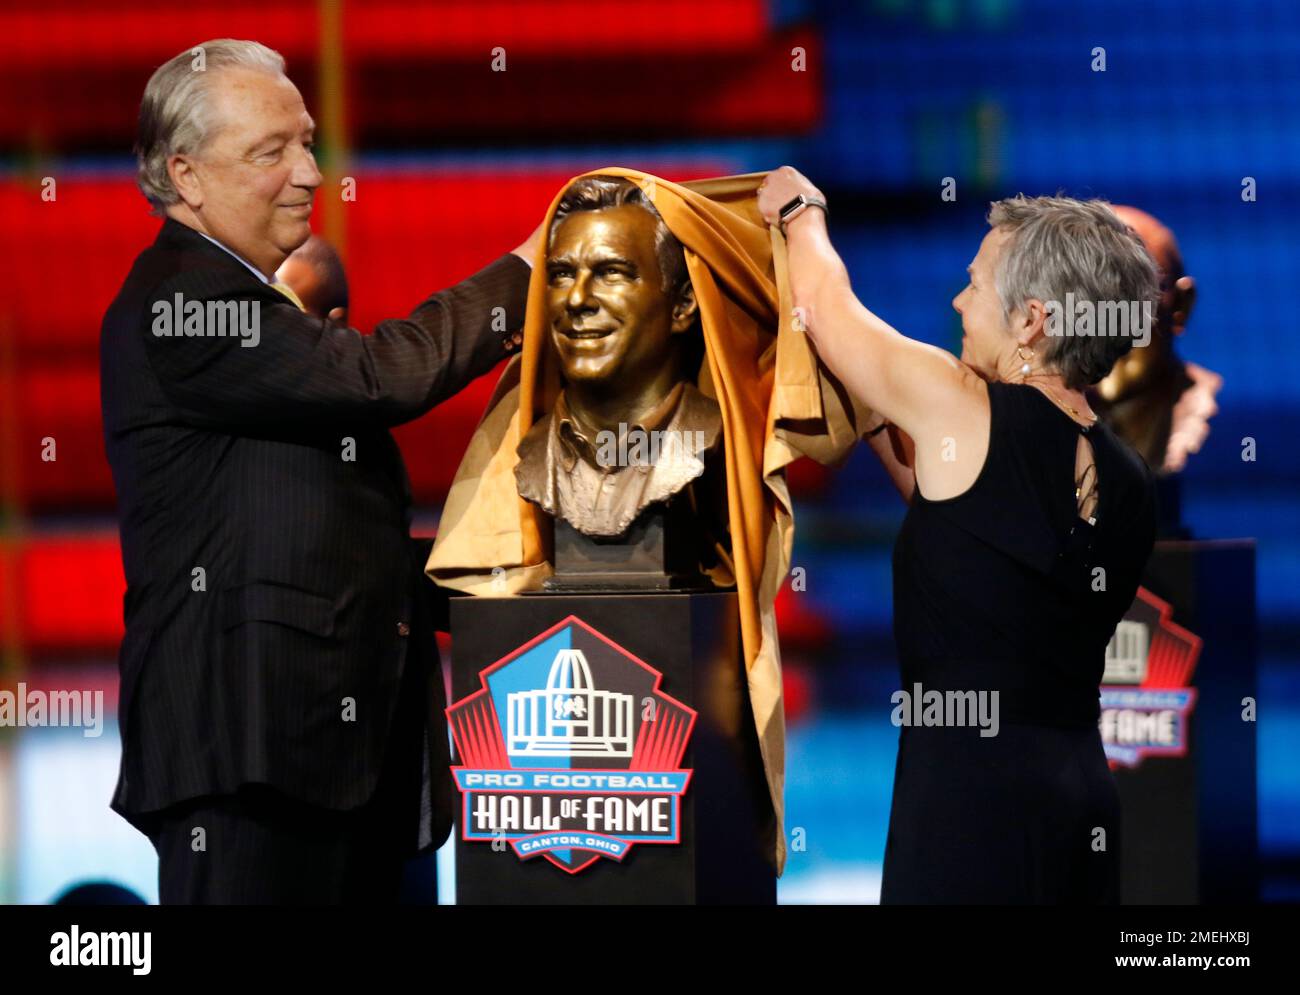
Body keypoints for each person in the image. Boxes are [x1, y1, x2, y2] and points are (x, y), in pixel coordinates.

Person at [100, 38, 542, 904]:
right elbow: (384, 376)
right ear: (186, 177)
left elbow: (324, 545)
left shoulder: (246, 304)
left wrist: (510, 571)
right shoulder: (183, 301)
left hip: (338, 761)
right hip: (252, 759)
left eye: (307, 143)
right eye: (272, 152)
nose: (309, 174)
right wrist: (533, 267)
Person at [757, 167, 1159, 903]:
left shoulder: (962, 402)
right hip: (1079, 802)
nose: (958, 301)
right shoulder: (1127, 474)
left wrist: (800, 210)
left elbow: (822, 303)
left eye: (975, 284)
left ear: (1032, 320)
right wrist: (874, 409)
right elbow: (965, 516)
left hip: (966, 808)